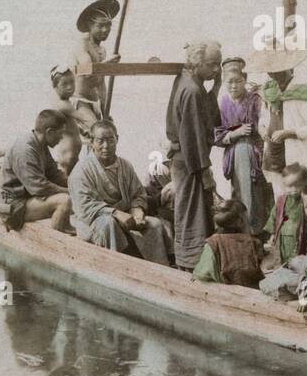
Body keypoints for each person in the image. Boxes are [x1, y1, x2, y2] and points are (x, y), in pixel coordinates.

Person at [69, 120, 172, 264]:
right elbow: (84, 207)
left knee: (154, 225)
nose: (106, 146)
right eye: (100, 141)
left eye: (110, 140)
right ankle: (116, 267)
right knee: (108, 224)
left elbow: (138, 193)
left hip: (125, 217)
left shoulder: (125, 166)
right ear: (91, 142)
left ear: (117, 139)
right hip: (94, 222)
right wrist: (115, 213)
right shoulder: (81, 171)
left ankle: (157, 268)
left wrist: (137, 211)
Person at [166, 39, 222, 271]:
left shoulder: (186, 79)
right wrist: (204, 170)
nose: (216, 70)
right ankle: (190, 264)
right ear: (197, 64)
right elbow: (193, 136)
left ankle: (189, 262)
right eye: (212, 65)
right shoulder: (191, 90)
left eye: (218, 64)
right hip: (189, 162)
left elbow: (199, 122)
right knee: (192, 212)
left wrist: (215, 90)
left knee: (190, 210)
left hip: (184, 159)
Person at [248, 47, 307, 189]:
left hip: (297, 153)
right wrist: (263, 130)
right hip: (274, 153)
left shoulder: (302, 93)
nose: (275, 76)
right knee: (280, 195)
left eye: (280, 72)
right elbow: (263, 120)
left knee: (299, 192)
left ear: (290, 69)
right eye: (271, 72)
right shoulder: (269, 92)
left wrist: (288, 133)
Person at [214, 58, 269, 237]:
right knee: (237, 194)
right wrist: (235, 132)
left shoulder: (254, 99)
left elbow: (262, 125)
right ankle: (240, 231)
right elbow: (218, 134)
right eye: (229, 82)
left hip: (253, 152)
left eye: (238, 81)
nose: (234, 86)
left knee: (255, 195)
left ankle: (255, 232)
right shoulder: (223, 103)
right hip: (233, 155)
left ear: (245, 80)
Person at [0, 109, 72, 232]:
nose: (62, 137)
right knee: (64, 201)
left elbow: (54, 174)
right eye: (60, 133)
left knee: (77, 198)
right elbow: (39, 188)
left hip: (26, 198)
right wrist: (70, 192)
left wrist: (77, 185)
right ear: (49, 132)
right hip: (13, 206)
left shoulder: (40, 144)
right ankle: (59, 237)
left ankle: (63, 227)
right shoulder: (25, 150)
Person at [72, 0, 121, 131]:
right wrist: (107, 64)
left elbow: (100, 84)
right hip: (79, 102)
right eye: (100, 26)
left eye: (108, 25)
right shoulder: (82, 44)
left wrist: (105, 111)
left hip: (95, 103)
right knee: (98, 131)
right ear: (89, 25)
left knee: (108, 128)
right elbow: (87, 71)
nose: (105, 30)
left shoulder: (102, 50)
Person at [192, 198, 264, 288]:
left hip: (224, 292)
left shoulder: (213, 243)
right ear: (241, 221)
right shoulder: (254, 243)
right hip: (251, 291)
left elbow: (202, 275)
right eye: (246, 218)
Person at [264, 162, 307, 266]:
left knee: (298, 259)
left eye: (298, 185)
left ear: (306, 182)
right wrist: (272, 234)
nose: (293, 190)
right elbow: (274, 217)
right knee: (282, 257)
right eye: (289, 186)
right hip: (283, 237)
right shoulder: (281, 200)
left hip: (300, 235)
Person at [47, 65, 82, 177]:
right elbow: (84, 118)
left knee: (72, 180)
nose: (70, 87)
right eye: (64, 84)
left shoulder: (66, 102)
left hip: (71, 153)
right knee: (67, 180)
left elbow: (70, 126)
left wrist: (83, 131)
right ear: (55, 87)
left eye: (72, 82)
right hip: (67, 154)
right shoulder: (62, 105)